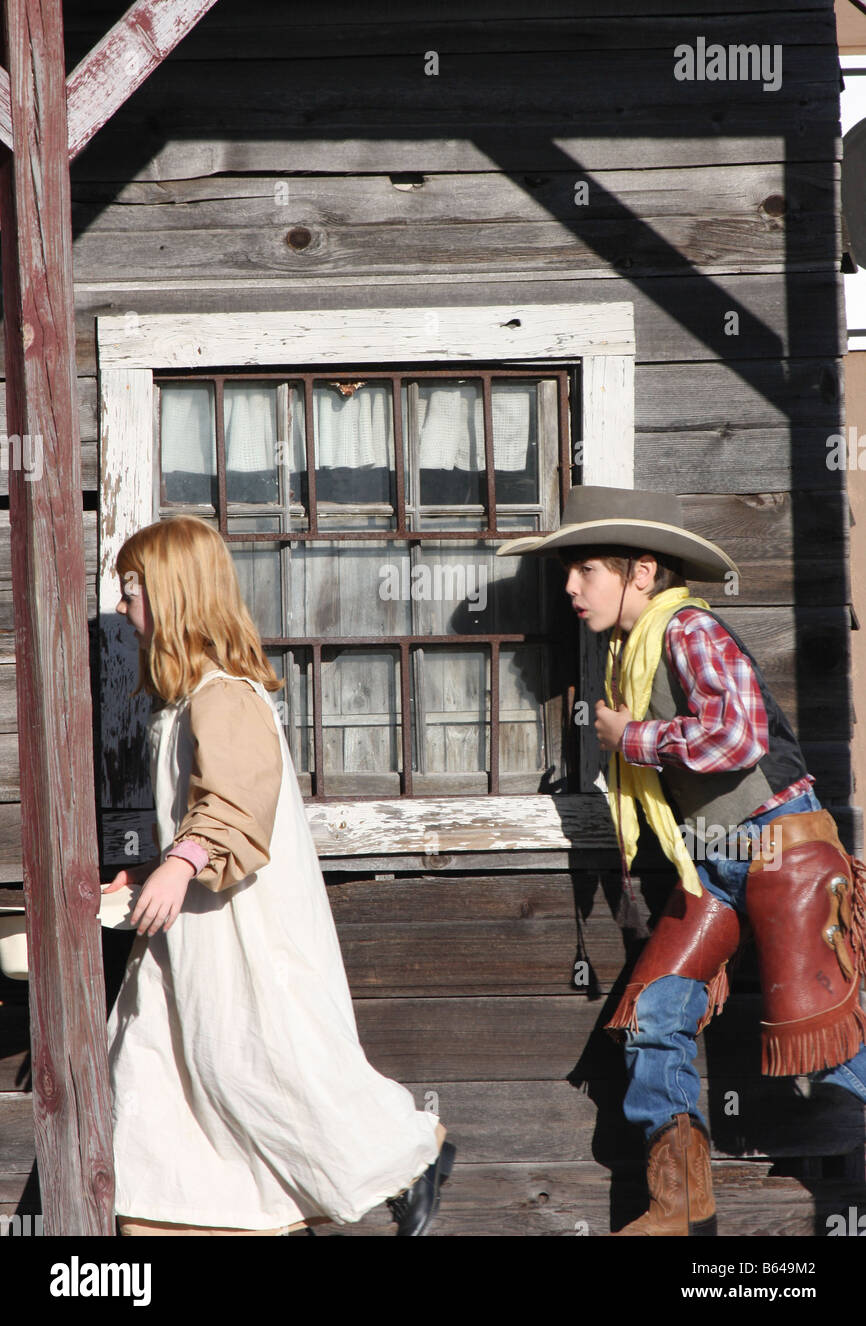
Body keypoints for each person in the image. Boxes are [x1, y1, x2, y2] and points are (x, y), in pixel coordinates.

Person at [497, 485, 866, 1237]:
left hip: (777, 847)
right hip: (713, 864)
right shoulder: (625, 653)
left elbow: (736, 739)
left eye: (587, 570)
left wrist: (631, 738)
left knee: (830, 1039)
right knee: (652, 1017)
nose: (570, 587)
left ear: (641, 571)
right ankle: (682, 1207)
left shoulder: (688, 629)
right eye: (569, 571)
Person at [105, 514, 455, 1237]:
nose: (121, 609)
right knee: (159, 1089)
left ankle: (409, 1157)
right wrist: (149, 874)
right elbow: (197, 813)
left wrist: (180, 864)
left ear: (171, 597)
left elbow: (237, 802)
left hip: (242, 937)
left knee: (256, 1064)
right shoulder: (184, 703)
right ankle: (173, 1221)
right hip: (189, 939)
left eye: (132, 591)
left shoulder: (225, 694)